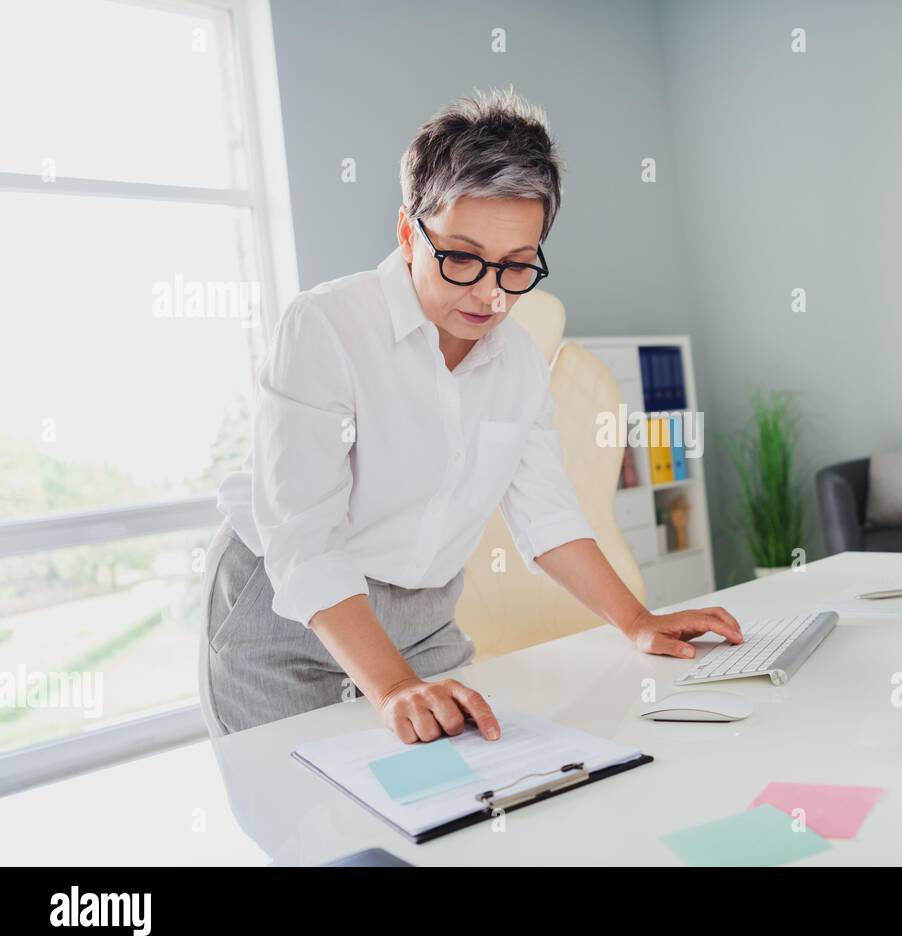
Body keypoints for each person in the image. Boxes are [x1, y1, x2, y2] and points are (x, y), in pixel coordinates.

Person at [198, 87, 742, 744]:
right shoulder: (326, 328)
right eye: (461, 258)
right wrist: (394, 687)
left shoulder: (515, 361)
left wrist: (636, 620)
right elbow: (305, 540)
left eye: (517, 267)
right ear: (408, 232)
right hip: (286, 609)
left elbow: (546, 515)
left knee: (458, 801)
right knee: (313, 825)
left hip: (424, 614)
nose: (490, 294)